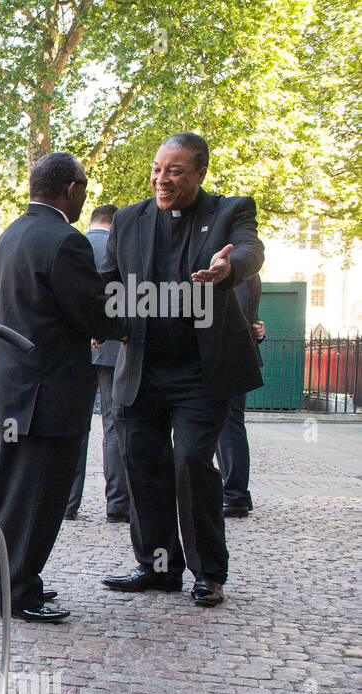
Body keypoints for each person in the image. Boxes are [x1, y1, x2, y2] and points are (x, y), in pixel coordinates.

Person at [101, 132, 264, 607]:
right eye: (157, 169)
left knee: (191, 461)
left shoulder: (230, 212)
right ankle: (158, 568)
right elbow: (109, 280)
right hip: (143, 368)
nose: (161, 178)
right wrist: (101, 318)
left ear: (199, 173)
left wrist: (227, 270)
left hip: (200, 372)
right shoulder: (129, 220)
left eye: (174, 170)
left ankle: (208, 572)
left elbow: (251, 252)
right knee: (143, 465)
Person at [0, 154, 126, 623]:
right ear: (70, 189)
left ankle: (7, 581)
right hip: (48, 396)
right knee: (40, 500)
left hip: (8, 391)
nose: (85, 195)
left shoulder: (8, 237)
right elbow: (94, 315)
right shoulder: (66, 240)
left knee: (9, 498)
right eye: (83, 186)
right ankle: (18, 591)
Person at [65, 203, 130, 523]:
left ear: (92, 221)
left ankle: (67, 503)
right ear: (114, 223)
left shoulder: (70, 243)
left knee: (75, 424)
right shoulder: (122, 247)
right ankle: (117, 504)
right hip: (113, 346)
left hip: (76, 347)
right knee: (114, 423)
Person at [216, 274, 264, 518]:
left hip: (228, 357)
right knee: (227, 425)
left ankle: (235, 495)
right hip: (232, 355)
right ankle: (234, 494)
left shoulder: (235, 262)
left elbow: (239, 315)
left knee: (228, 426)